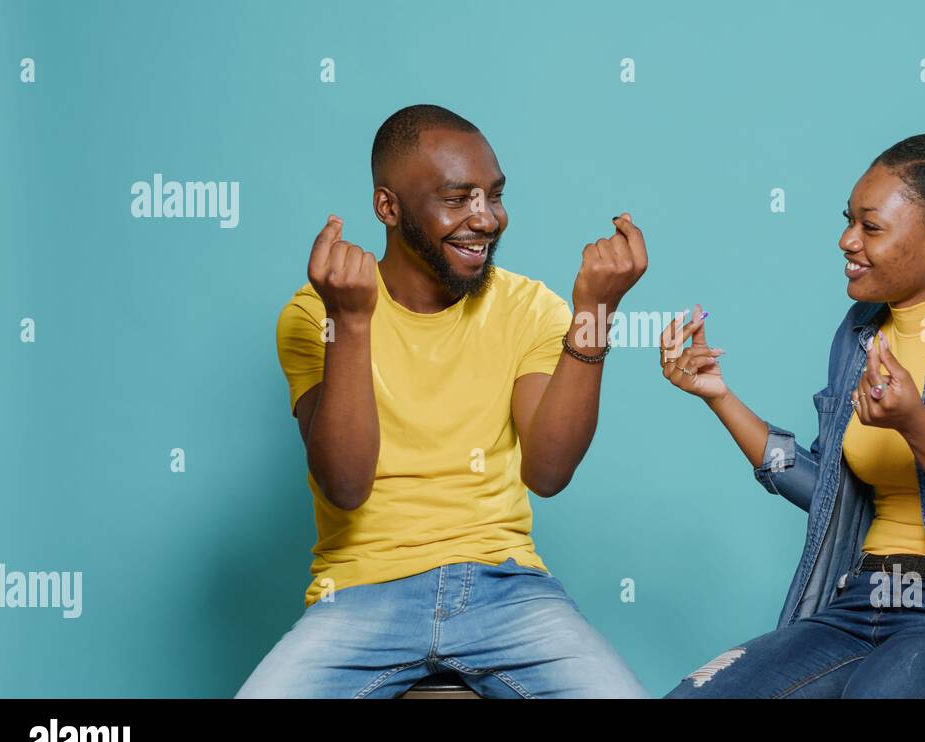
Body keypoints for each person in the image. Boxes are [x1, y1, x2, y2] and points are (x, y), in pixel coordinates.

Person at [236, 104, 650, 698]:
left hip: (507, 589)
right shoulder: (315, 313)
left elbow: (549, 471)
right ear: (389, 207)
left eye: (494, 195)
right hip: (360, 594)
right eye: (457, 199)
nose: (485, 219)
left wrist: (596, 311)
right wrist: (351, 323)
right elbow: (346, 484)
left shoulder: (530, 307)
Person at [658, 133, 925, 699]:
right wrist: (718, 395)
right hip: (855, 600)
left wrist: (915, 424)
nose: (847, 240)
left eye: (871, 227)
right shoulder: (860, 332)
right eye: (849, 221)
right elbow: (828, 485)